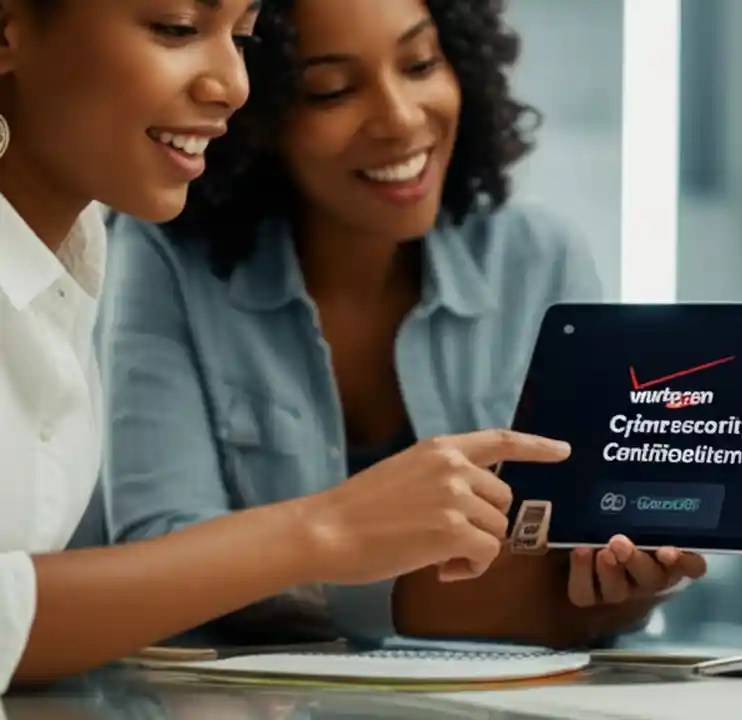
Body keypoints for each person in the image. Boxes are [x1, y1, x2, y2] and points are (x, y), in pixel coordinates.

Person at [0, 0, 575, 694]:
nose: (235, 85)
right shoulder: (153, 253)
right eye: (179, 28)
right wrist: (328, 530)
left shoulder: (72, 256)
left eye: (242, 37)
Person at [99, 0, 706, 649]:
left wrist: (619, 587)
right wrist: (484, 594)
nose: (400, 117)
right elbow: (159, 554)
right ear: (254, 116)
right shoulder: (163, 254)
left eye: (421, 64)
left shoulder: (538, 258)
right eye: (330, 91)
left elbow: (582, 548)